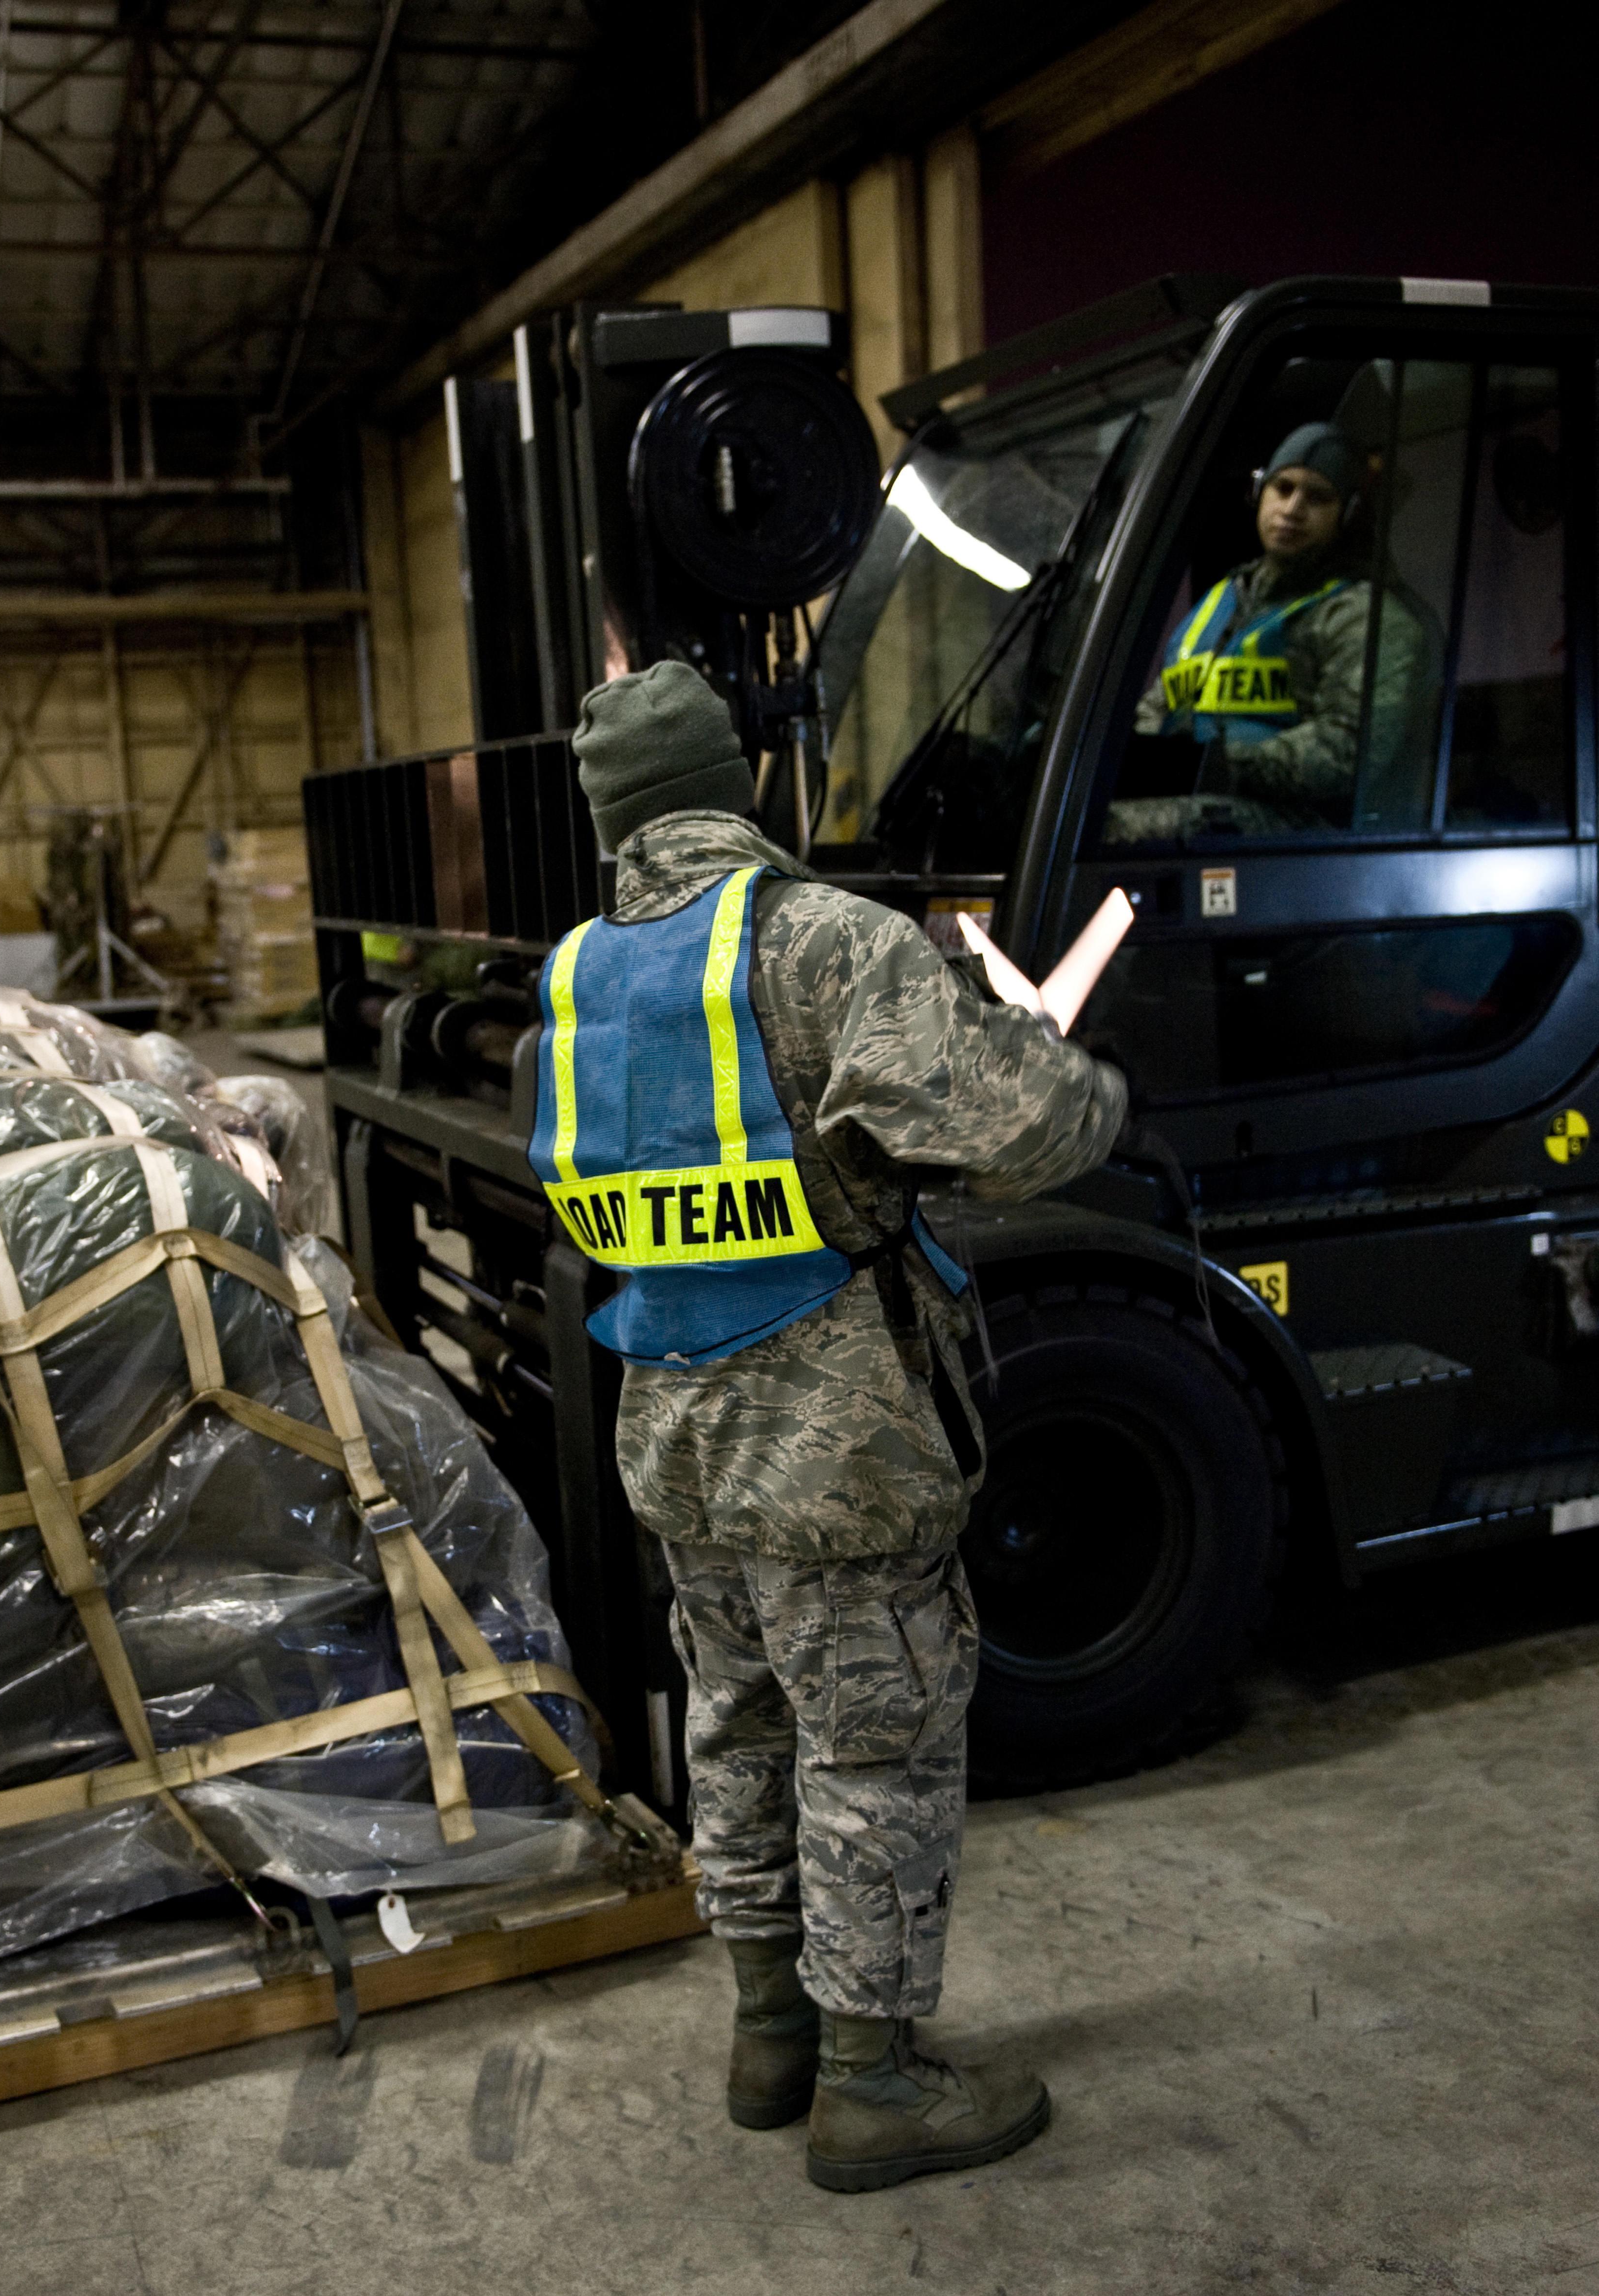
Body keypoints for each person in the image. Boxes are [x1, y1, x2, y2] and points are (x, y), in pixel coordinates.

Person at [528, 660, 1127, 2193]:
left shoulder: (576, 973)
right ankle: (873, 2081)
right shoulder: (822, 944)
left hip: (673, 1425)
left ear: (614, 817)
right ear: (739, 785)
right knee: (874, 1741)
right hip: (837, 1430)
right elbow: (1017, 1130)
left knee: (736, 1722)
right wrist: (1064, 1069)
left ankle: (770, 2033)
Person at [1117, 419, 1426, 837]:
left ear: (1349, 515)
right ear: (1259, 492)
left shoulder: (1367, 619)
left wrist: (1222, 765)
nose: (1292, 509)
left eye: (1317, 498)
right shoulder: (1215, 606)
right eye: (1282, 488)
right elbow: (1160, 708)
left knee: (1114, 831)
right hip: (1201, 800)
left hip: (1302, 827)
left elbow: (1346, 750)